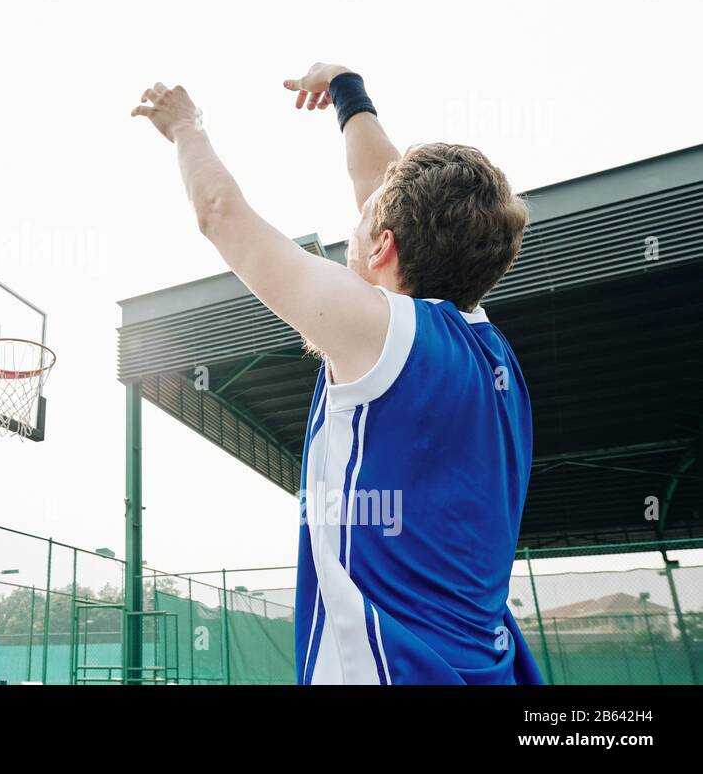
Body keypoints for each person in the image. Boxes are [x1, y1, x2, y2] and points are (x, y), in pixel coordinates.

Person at [131, 63, 543, 684]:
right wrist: (348, 91)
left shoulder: (383, 332)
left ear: (381, 248)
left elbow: (220, 213)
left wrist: (185, 126)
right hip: (488, 669)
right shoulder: (493, 356)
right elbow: (389, 189)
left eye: (361, 226)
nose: (353, 228)